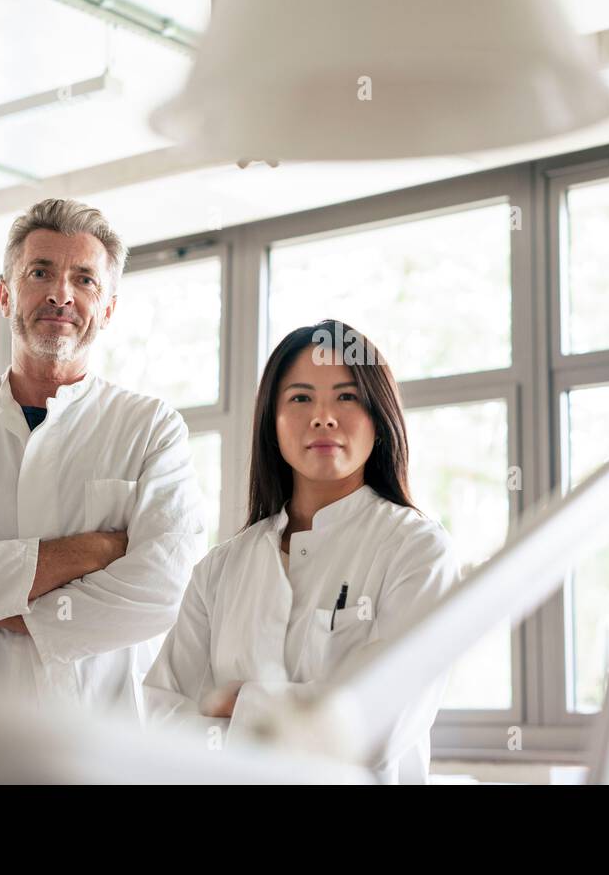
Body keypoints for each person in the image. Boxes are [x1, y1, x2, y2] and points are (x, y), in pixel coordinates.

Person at [0, 198, 205, 717]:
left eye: (85, 280)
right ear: (6, 295)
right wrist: (93, 551)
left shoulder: (151, 428)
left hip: (95, 738)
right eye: (40, 272)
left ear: (108, 310)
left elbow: (163, 591)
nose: (60, 294)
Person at [142, 319, 459, 782]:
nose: (323, 417)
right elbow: (159, 721)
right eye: (300, 398)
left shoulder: (417, 549)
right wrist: (301, 714)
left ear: (379, 419)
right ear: (272, 424)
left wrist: (240, 704)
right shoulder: (219, 569)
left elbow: (378, 724)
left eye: (347, 397)